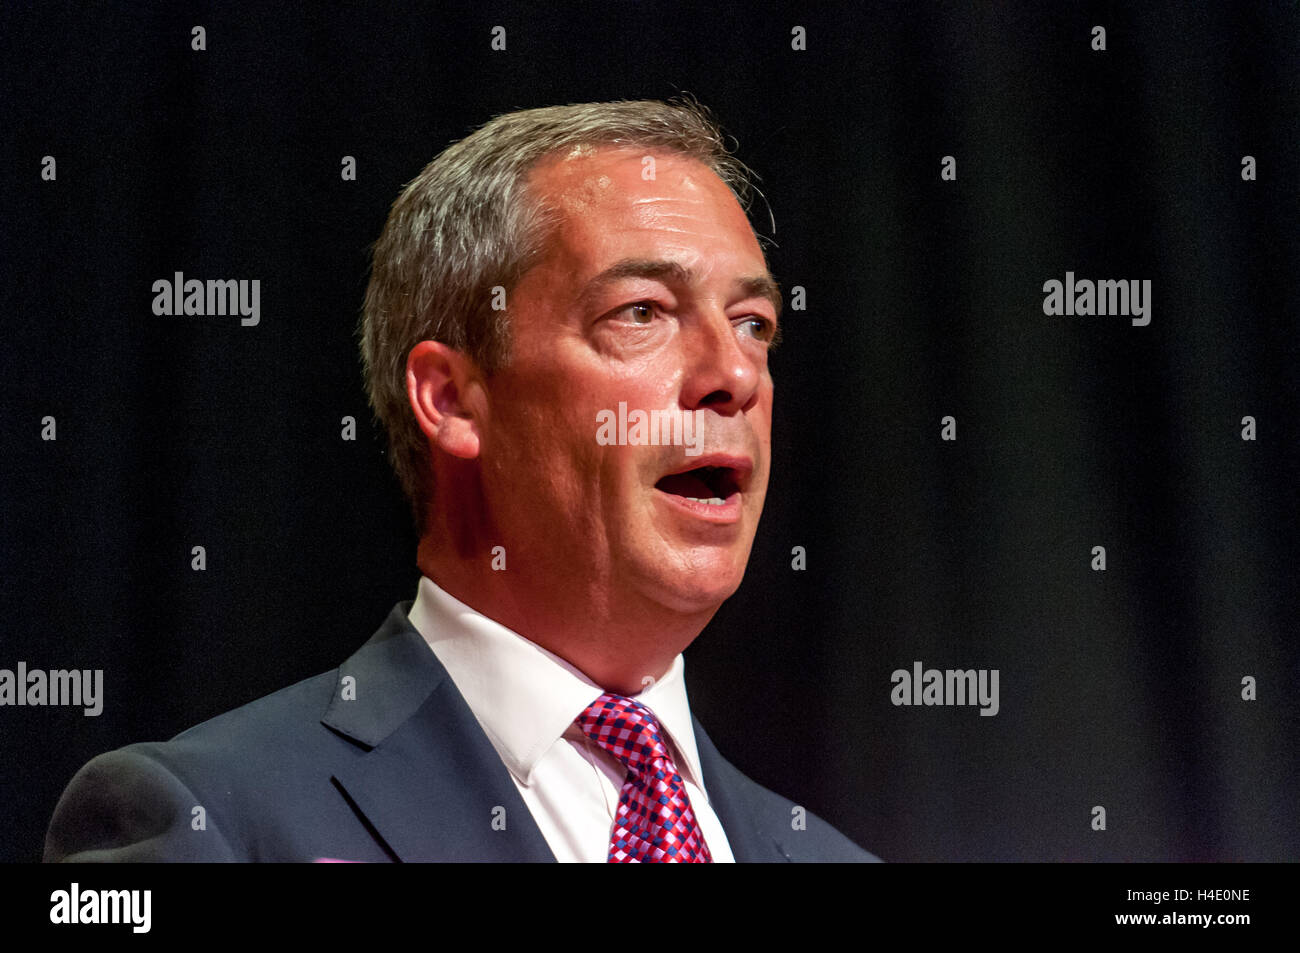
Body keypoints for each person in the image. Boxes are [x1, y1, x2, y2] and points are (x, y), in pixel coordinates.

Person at [44, 99, 879, 863]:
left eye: (753, 323)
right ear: (451, 399)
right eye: (642, 312)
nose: (734, 371)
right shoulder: (205, 820)